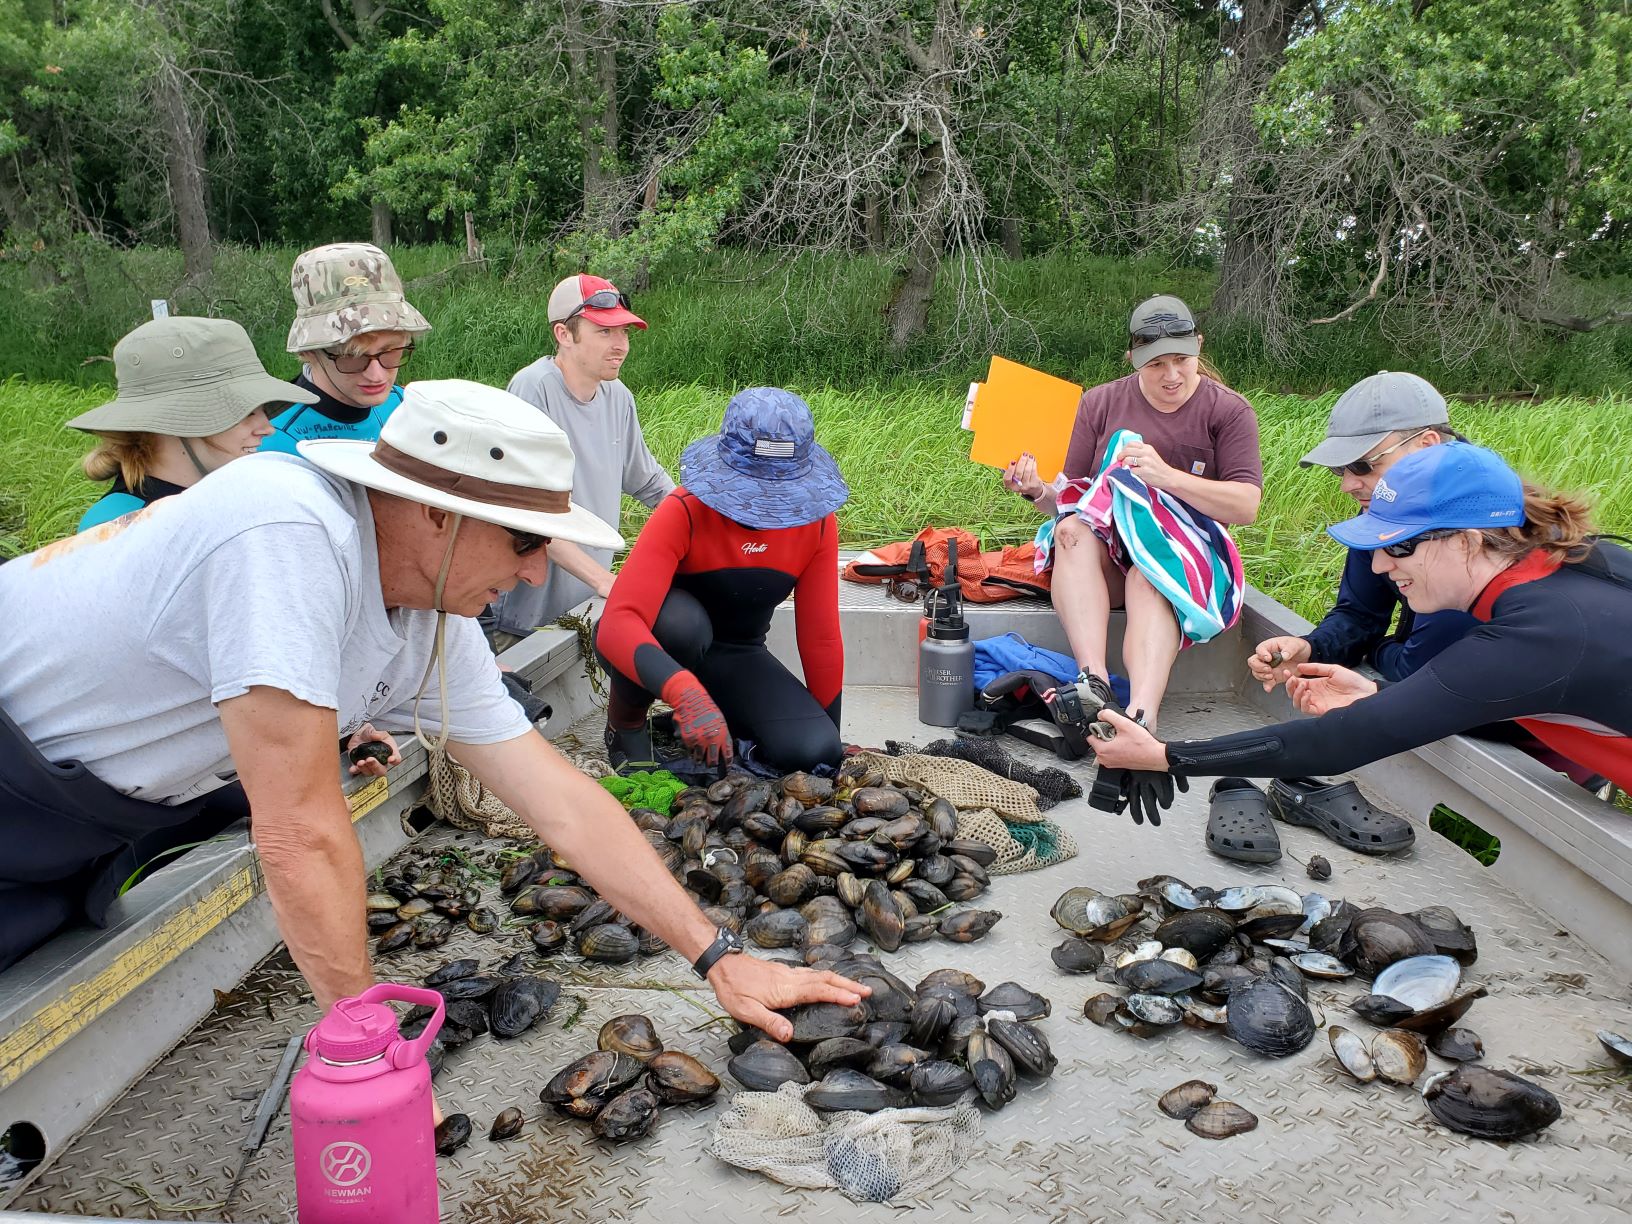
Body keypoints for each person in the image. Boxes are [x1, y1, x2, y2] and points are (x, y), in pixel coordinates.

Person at [0, 379, 865, 1041]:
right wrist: (364, 1036)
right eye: (526, 542)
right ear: (433, 514)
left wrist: (717, 955)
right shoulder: (286, 532)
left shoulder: (430, 621)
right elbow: (299, 827)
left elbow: (557, 798)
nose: (537, 574)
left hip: (89, 811)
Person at [1088, 443, 1632, 816]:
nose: (1378, 567)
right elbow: (1488, 693)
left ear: (1467, 541)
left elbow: (1341, 743)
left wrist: (1165, 756)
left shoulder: (1537, 635)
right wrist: (1379, 694)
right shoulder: (1578, 565)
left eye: (1399, 545)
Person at [1003, 294, 1262, 731]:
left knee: (1149, 572)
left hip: (1185, 560)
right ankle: (1093, 684)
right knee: (1069, 531)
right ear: (1133, 359)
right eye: (1156, 364)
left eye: (1181, 359)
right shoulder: (1100, 403)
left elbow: (1245, 506)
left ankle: (1142, 714)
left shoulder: (1229, 410)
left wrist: (1168, 477)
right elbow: (1073, 498)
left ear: (1199, 346)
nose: (1171, 375)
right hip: (1110, 555)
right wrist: (1035, 491)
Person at [595, 387, 847, 775]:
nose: (765, 507)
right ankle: (625, 726)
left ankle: (718, 714)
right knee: (682, 624)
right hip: (660, 644)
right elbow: (616, 624)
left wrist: (830, 728)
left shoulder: (815, 524)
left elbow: (821, 636)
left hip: (737, 654)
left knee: (813, 751)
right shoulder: (685, 511)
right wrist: (686, 694)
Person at [1248, 371, 1467, 689]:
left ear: (1426, 446)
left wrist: (1379, 649)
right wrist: (1312, 648)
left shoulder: (1471, 525)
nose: (1347, 484)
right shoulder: (1383, 507)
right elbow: (1360, 615)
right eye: (1341, 467)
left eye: (1364, 465)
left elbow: (1420, 668)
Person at [490, 274, 674, 649]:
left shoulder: (617, 396)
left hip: (589, 607)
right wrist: (605, 581)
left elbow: (648, 480)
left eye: (624, 332)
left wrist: (710, 521)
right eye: (605, 332)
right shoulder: (532, 389)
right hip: (526, 617)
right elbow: (528, 514)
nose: (620, 345)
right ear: (564, 334)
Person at [72, 317, 297, 531]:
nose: (267, 429)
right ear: (178, 421)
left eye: (263, 409)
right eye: (246, 411)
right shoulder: (117, 528)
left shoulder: (226, 497)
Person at [259, 242, 430, 454]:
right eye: (352, 357)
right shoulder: (272, 441)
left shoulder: (408, 408)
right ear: (308, 351)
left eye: (390, 351)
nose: (377, 376)